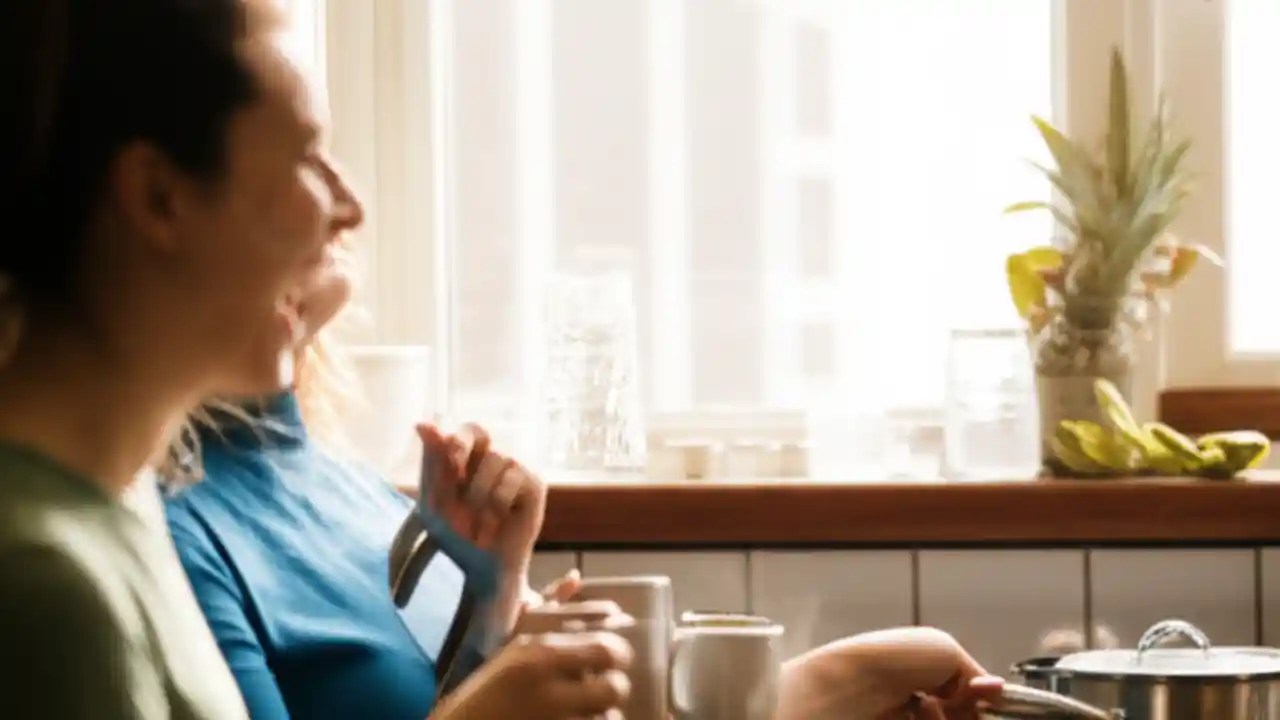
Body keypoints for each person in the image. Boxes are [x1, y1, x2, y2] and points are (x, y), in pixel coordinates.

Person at [0, 0, 350, 717]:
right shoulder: (43, 583)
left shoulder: (122, 496)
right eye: (306, 158)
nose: (347, 209)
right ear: (159, 197)